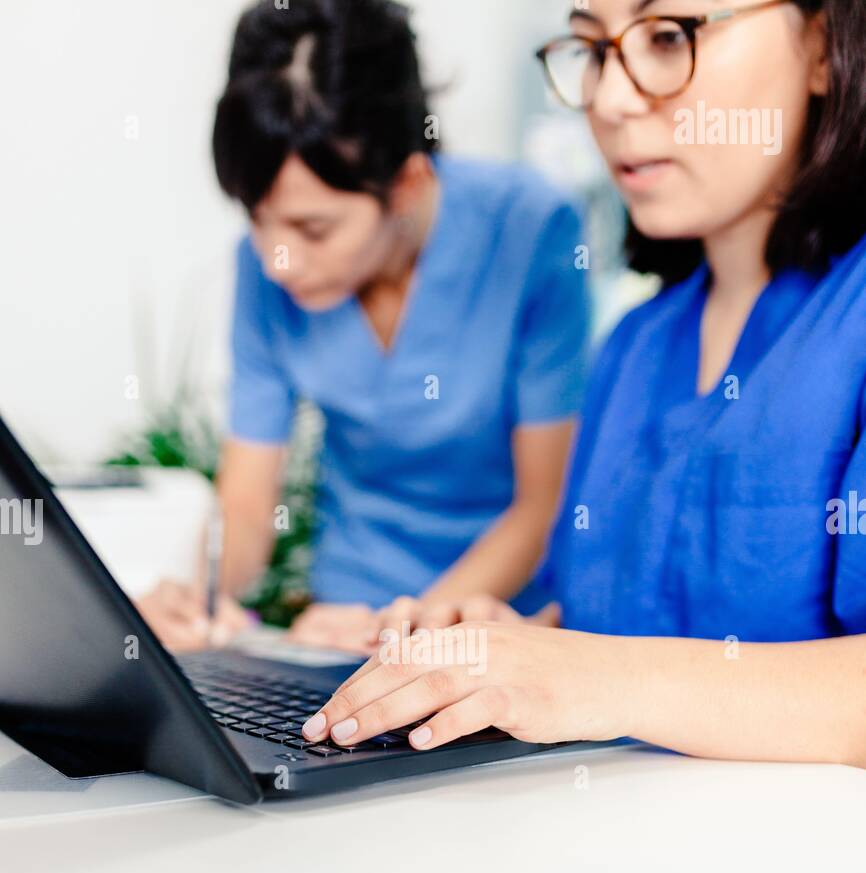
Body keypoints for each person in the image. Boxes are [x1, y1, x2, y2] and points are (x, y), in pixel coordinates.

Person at [303, 0, 866, 769]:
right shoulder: (633, 349)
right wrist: (504, 647)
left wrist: (587, 674)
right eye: (594, 49)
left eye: (669, 36)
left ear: (825, 45)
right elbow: (616, 616)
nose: (609, 98)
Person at [139, 0, 589, 652]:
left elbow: (539, 507)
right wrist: (199, 597)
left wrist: (405, 634)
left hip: (500, 633)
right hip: (341, 628)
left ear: (406, 184)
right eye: (255, 219)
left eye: (312, 228)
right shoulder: (264, 271)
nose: (276, 258)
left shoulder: (531, 230)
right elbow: (247, 501)